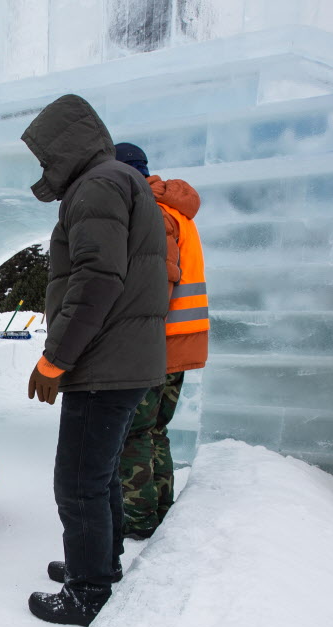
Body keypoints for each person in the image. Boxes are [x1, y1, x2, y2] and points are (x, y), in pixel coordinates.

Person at [21, 95, 169, 626]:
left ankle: (88, 594)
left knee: (78, 480)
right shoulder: (114, 181)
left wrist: (55, 359)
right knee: (99, 474)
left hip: (105, 363)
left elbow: (97, 280)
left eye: (45, 156)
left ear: (65, 146)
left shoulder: (97, 186)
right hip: (121, 359)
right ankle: (101, 564)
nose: (44, 168)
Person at [114, 142, 208, 540]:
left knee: (134, 433)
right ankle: (161, 510)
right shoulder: (176, 208)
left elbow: (157, 283)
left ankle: (138, 520)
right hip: (180, 342)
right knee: (154, 431)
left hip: (157, 344)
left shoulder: (153, 213)